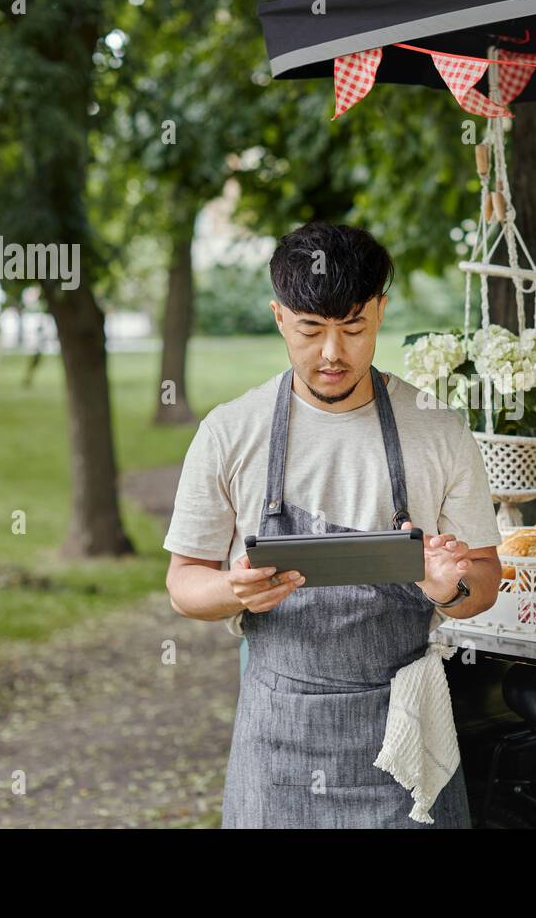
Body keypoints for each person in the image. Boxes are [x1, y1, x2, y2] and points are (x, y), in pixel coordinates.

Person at [163, 221, 503, 828]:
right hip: (278, 738)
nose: (331, 354)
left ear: (380, 311)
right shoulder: (229, 432)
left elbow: (484, 579)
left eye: (353, 328)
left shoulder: (437, 430)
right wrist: (231, 590)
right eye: (310, 330)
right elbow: (184, 582)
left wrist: (447, 587)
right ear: (278, 317)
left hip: (402, 730)